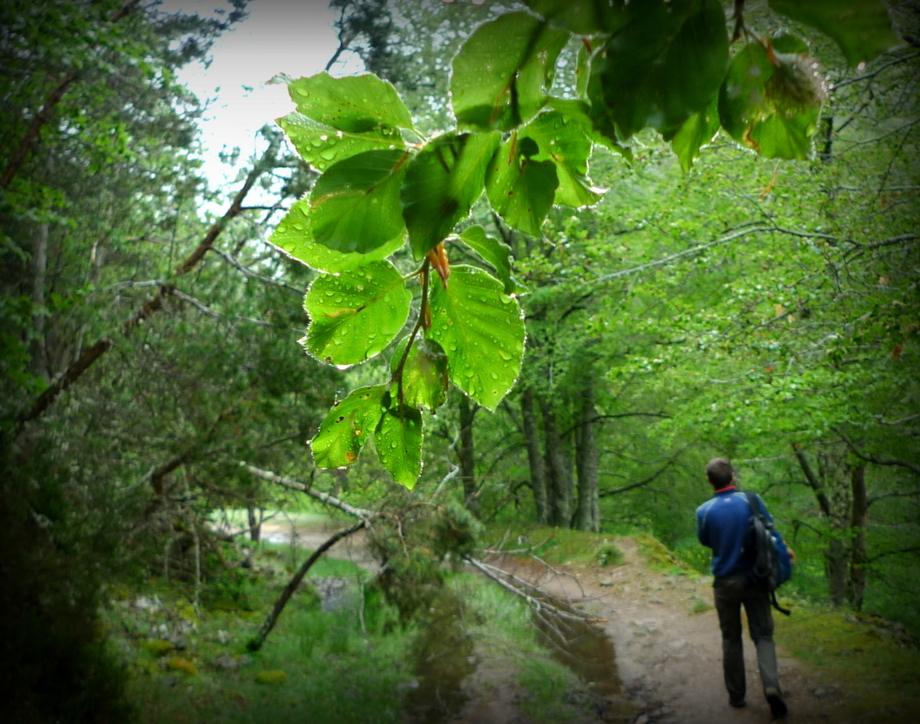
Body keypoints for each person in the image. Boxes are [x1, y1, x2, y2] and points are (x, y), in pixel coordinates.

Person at [696, 457, 796, 719]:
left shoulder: (704, 511)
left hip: (725, 582)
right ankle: (771, 686)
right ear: (733, 476)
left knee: (731, 638)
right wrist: (784, 551)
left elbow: (706, 541)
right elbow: (771, 530)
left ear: (709, 481)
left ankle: (737, 697)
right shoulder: (752, 500)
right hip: (756, 578)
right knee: (763, 635)